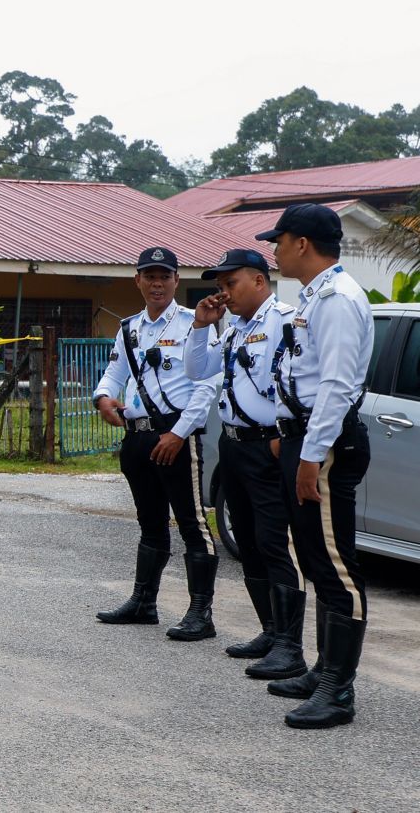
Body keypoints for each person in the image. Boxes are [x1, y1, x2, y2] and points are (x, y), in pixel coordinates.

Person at [253, 204, 373, 729]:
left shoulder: (339, 299)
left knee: (335, 565)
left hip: (324, 446)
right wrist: (288, 432)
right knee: (314, 560)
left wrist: (310, 453)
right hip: (302, 438)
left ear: (302, 243)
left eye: (278, 241)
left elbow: (337, 385)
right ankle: (323, 669)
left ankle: (337, 691)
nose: (273, 250)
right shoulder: (313, 296)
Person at [184, 250, 308, 682]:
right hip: (233, 445)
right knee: (248, 542)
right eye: (219, 284)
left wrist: (282, 431)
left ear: (259, 281)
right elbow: (198, 370)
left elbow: (296, 377)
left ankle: (291, 648)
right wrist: (201, 326)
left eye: (230, 283)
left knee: (274, 542)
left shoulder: (285, 320)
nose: (223, 292)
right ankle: (270, 632)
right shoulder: (234, 327)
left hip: (266, 445)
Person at [92, 247, 220, 640]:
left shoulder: (193, 324)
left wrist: (180, 433)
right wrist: (101, 398)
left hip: (175, 437)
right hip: (138, 436)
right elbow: (114, 373)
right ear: (138, 280)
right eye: (149, 276)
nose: (157, 283)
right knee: (150, 522)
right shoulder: (129, 327)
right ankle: (144, 602)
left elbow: (206, 385)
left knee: (191, 524)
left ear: (177, 281)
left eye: (164, 276)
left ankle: (201, 612)